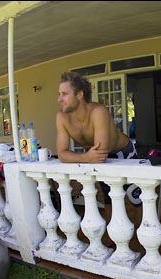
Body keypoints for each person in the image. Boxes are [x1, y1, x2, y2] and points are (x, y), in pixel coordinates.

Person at [55, 71, 138, 212]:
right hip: (94, 156)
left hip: (122, 152)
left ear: (79, 95)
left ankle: (140, 232)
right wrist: (86, 157)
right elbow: (62, 154)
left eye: (64, 94)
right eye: (59, 94)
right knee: (108, 198)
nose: (59, 99)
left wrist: (85, 157)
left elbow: (100, 153)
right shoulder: (61, 117)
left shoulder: (98, 112)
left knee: (136, 198)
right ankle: (113, 233)